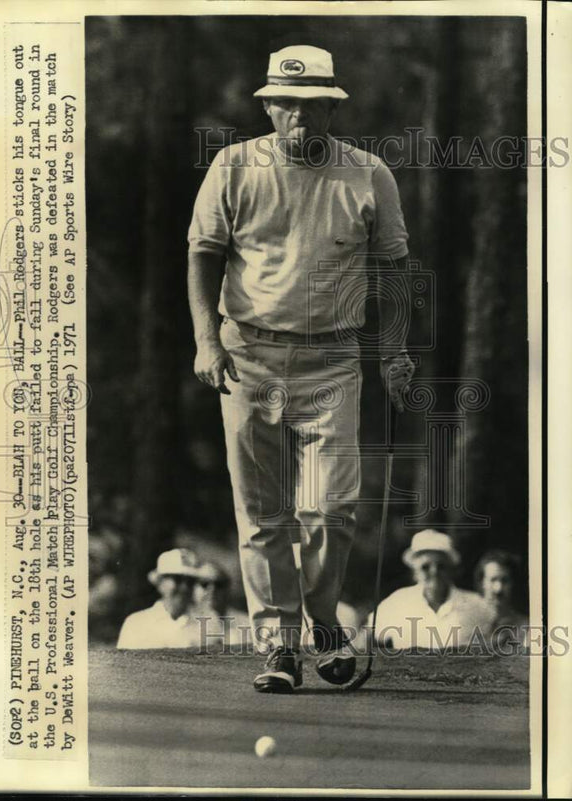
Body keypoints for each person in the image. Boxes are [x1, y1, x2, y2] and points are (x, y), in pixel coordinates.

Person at [188, 45, 414, 692]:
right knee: (260, 513)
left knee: (330, 510)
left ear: (332, 108)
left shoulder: (368, 174)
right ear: (267, 105)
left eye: (314, 106)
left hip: (333, 360)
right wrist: (207, 341)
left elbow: (395, 266)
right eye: (287, 104)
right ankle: (280, 645)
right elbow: (203, 255)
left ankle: (321, 621)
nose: (300, 118)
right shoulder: (234, 166)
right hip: (248, 355)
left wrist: (395, 351)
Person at [371, 530, 494, 651]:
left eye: (441, 566)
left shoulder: (477, 605)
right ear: (415, 573)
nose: (434, 572)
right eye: (425, 567)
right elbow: (367, 634)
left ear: (452, 570)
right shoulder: (397, 602)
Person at [117, 548, 206, 649]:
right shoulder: (136, 624)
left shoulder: (205, 626)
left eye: (190, 582)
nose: (184, 588)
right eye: (177, 580)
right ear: (160, 582)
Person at [474, 549, 528, 651]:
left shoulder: (525, 626)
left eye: (505, 580)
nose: (498, 588)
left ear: (513, 584)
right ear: (482, 583)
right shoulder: (467, 621)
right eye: (493, 580)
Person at [192, 560, 252, 647]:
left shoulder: (247, 624)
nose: (212, 590)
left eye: (218, 584)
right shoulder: (182, 624)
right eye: (204, 584)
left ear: (228, 588)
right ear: (193, 588)